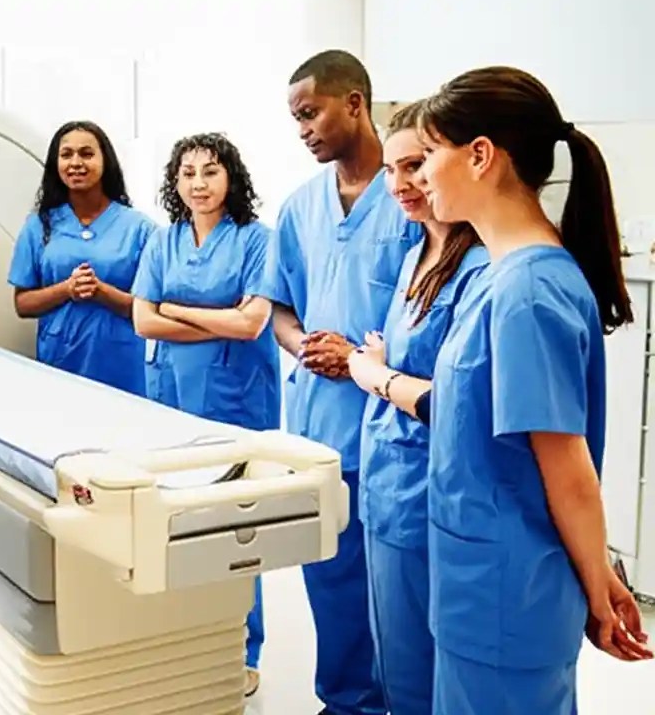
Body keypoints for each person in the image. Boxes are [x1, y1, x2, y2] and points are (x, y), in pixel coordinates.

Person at [415, 65, 652, 714]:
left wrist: (598, 582)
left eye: (431, 152)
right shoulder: (496, 277)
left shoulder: (527, 293)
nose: (420, 172)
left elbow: (567, 468)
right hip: (478, 589)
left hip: (505, 598)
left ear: (481, 155)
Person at [261, 49, 419, 715]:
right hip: (321, 426)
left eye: (310, 113)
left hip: (392, 429)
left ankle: (398, 700)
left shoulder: (413, 197)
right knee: (329, 580)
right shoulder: (301, 208)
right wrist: (307, 348)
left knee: (396, 591)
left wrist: (357, 357)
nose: (303, 130)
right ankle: (347, 702)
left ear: (354, 102)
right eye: (295, 119)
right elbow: (279, 309)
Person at [344, 102, 489, 715]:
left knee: (423, 669)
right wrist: (383, 363)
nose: (402, 183)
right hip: (387, 481)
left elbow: (452, 396)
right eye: (391, 169)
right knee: (393, 656)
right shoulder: (413, 257)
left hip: (428, 490)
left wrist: (375, 375)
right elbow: (407, 350)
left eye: (416, 165)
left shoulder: (479, 266)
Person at [130, 132, 277, 696]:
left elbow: (252, 325)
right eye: (187, 172)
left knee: (239, 525)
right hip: (169, 392)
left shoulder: (257, 241)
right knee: (178, 523)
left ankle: (244, 648)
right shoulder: (164, 240)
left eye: (210, 171)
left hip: (235, 397)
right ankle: (182, 643)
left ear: (231, 178)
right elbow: (142, 321)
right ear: (175, 182)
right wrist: (212, 316)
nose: (198, 182)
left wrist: (173, 307)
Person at [8, 120, 157, 396]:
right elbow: (23, 304)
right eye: (66, 155)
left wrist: (101, 292)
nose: (76, 162)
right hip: (60, 361)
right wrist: (67, 289)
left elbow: (151, 311)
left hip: (122, 366)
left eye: (87, 154)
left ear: (106, 161)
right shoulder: (39, 226)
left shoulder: (139, 229)